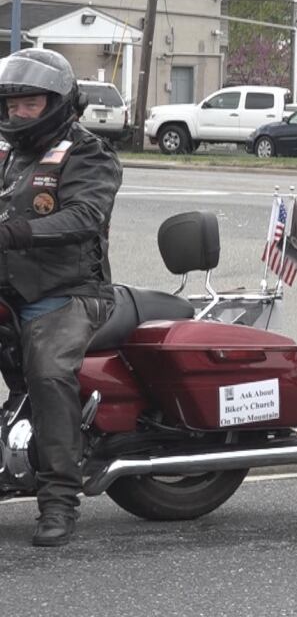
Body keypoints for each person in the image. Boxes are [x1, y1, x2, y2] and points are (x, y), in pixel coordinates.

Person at [0, 49, 122, 546]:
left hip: (68, 291)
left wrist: (14, 232)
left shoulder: (88, 153)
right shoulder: (9, 155)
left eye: (30, 103)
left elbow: (85, 216)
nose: (19, 113)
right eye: (13, 103)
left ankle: (58, 501)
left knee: (47, 371)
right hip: (11, 287)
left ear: (57, 102)